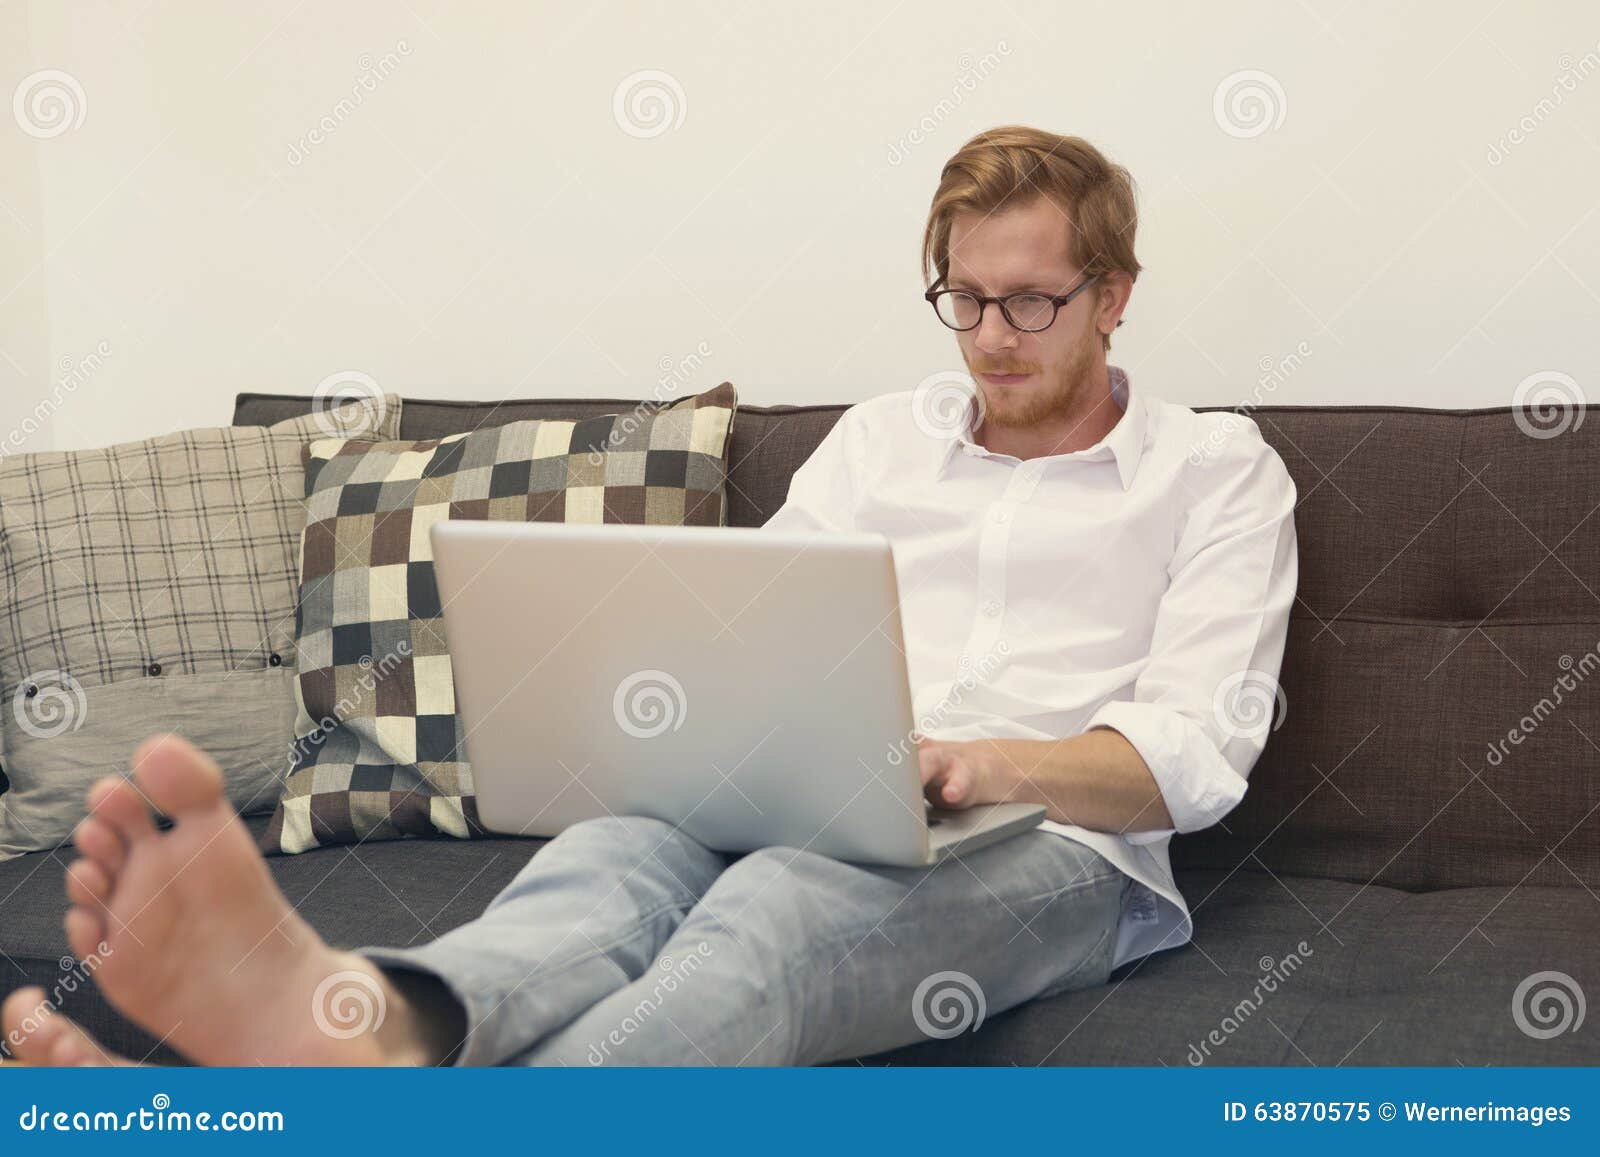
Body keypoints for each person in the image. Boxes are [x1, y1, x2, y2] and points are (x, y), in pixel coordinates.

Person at [1, 126, 1297, 1067]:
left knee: (771, 915)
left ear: (1114, 295)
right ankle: (365, 1025)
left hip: (1053, 851)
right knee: (605, 870)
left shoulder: (1213, 471)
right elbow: (755, 624)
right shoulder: (879, 441)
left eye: (1031, 301)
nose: (991, 336)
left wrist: (980, 766)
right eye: (963, 299)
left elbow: (1194, 753)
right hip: (815, 793)